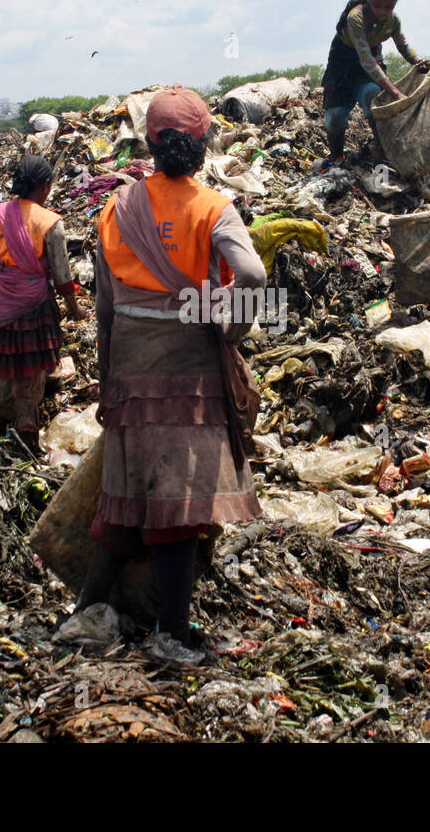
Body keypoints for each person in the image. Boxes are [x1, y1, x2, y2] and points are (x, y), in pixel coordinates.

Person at [72, 87, 266, 663]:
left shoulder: (116, 208)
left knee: (126, 492)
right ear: (203, 144)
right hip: (188, 368)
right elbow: (253, 276)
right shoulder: (213, 207)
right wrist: (229, 328)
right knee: (180, 503)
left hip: (130, 361)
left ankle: (85, 611)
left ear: (150, 143)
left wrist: (108, 376)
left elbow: (105, 306)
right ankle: (172, 634)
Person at [0, 155, 84, 436]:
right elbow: (62, 277)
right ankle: (26, 422)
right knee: (31, 364)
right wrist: (75, 308)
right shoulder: (50, 222)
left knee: (2, 359)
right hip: (33, 304)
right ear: (45, 186)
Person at [321, 0, 430, 164]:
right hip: (343, 62)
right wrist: (394, 91)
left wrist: (417, 61)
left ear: (395, 4)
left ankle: (384, 154)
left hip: (371, 60)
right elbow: (366, 60)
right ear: (369, 1)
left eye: (389, 6)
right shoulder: (355, 17)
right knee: (335, 116)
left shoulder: (393, 21)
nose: (382, 11)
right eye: (377, 6)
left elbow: (402, 45)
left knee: (373, 98)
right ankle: (337, 157)